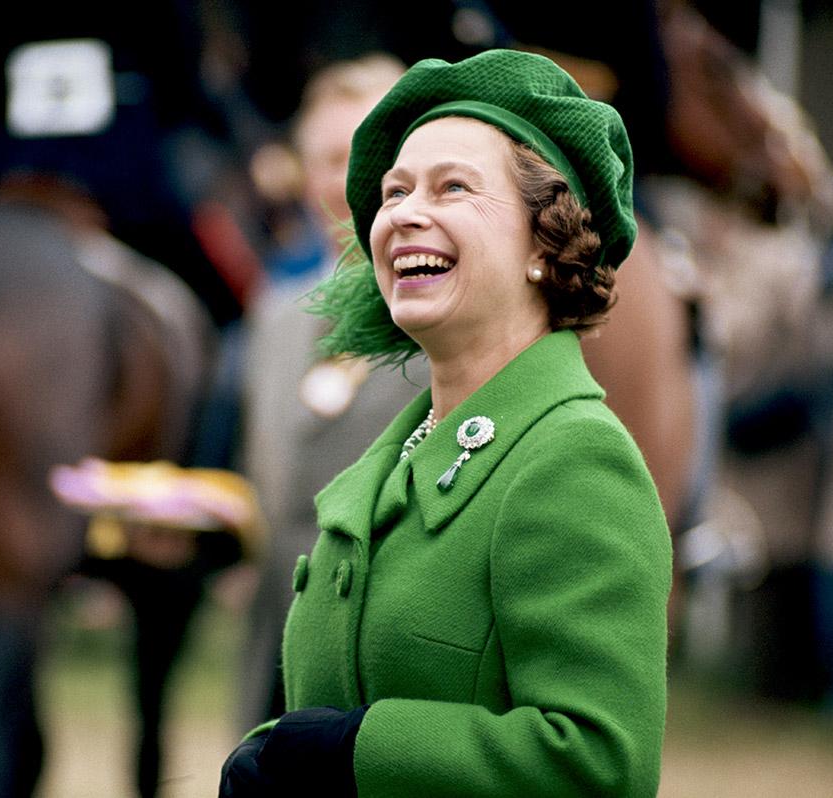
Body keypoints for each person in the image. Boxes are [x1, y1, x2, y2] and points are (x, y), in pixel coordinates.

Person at [219, 49, 673, 796]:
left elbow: (600, 764)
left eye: (452, 186)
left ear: (543, 240)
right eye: (395, 192)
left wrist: (357, 750)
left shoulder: (575, 458)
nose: (403, 213)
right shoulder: (390, 461)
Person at [236, 53, 431, 731]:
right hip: (270, 663)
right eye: (324, 158)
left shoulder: (453, 318)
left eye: (366, 154)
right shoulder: (273, 313)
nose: (345, 180)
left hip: (392, 681)